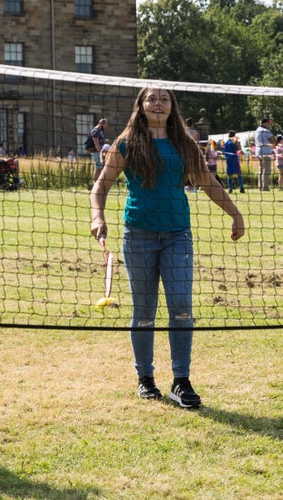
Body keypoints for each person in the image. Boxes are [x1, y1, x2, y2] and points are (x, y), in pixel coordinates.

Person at [90, 86, 245, 409]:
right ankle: (145, 379)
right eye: (152, 99)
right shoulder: (127, 142)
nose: (158, 104)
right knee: (144, 312)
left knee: (181, 307)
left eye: (164, 99)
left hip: (177, 236)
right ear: (141, 105)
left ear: (172, 106)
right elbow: (101, 186)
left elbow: (208, 182)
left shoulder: (183, 143)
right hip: (138, 235)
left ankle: (181, 381)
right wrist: (97, 216)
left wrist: (235, 213)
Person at [255, 118, 275, 191]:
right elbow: (273, 140)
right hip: (266, 152)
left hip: (258, 152)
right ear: (264, 123)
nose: (268, 124)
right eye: (268, 123)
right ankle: (265, 187)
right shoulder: (266, 131)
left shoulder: (257, 130)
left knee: (260, 170)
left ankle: (260, 186)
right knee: (266, 170)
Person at [88, 118, 109, 184]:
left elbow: (100, 142)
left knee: (100, 167)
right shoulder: (95, 131)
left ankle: (98, 182)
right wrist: (101, 153)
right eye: (105, 125)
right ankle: (94, 183)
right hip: (96, 152)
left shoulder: (100, 131)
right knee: (98, 167)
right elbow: (96, 144)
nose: (106, 126)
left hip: (99, 151)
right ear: (102, 124)